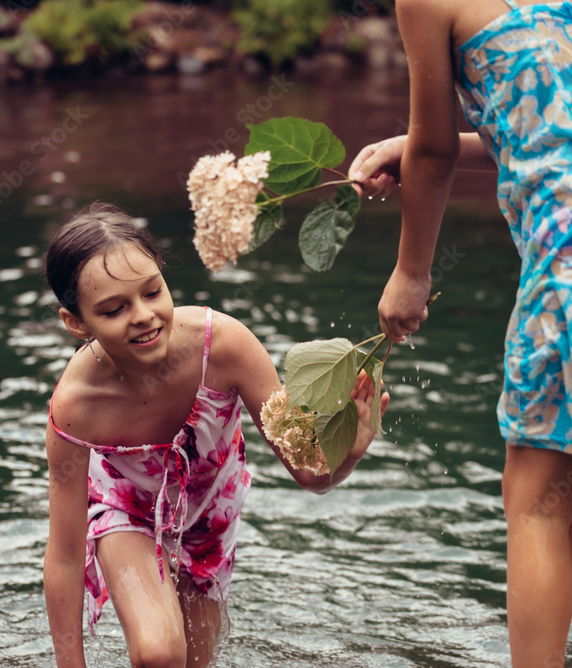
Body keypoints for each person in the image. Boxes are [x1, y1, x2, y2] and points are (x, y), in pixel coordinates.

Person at [349, 0, 572, 666]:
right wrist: (412, 147)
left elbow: (433, 151)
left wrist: (411, 273)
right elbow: (558, 128)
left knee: (533, 497)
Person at [42, 201, 389, 668]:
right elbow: (64, 556)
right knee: (160, 653)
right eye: (114, 309)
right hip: (127, 507)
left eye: (152, 292)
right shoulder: (75, 407)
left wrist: (347, 453)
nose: (143, 315)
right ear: (76, 322)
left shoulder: (224, 347)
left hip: (210, 515)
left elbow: (310, 473)